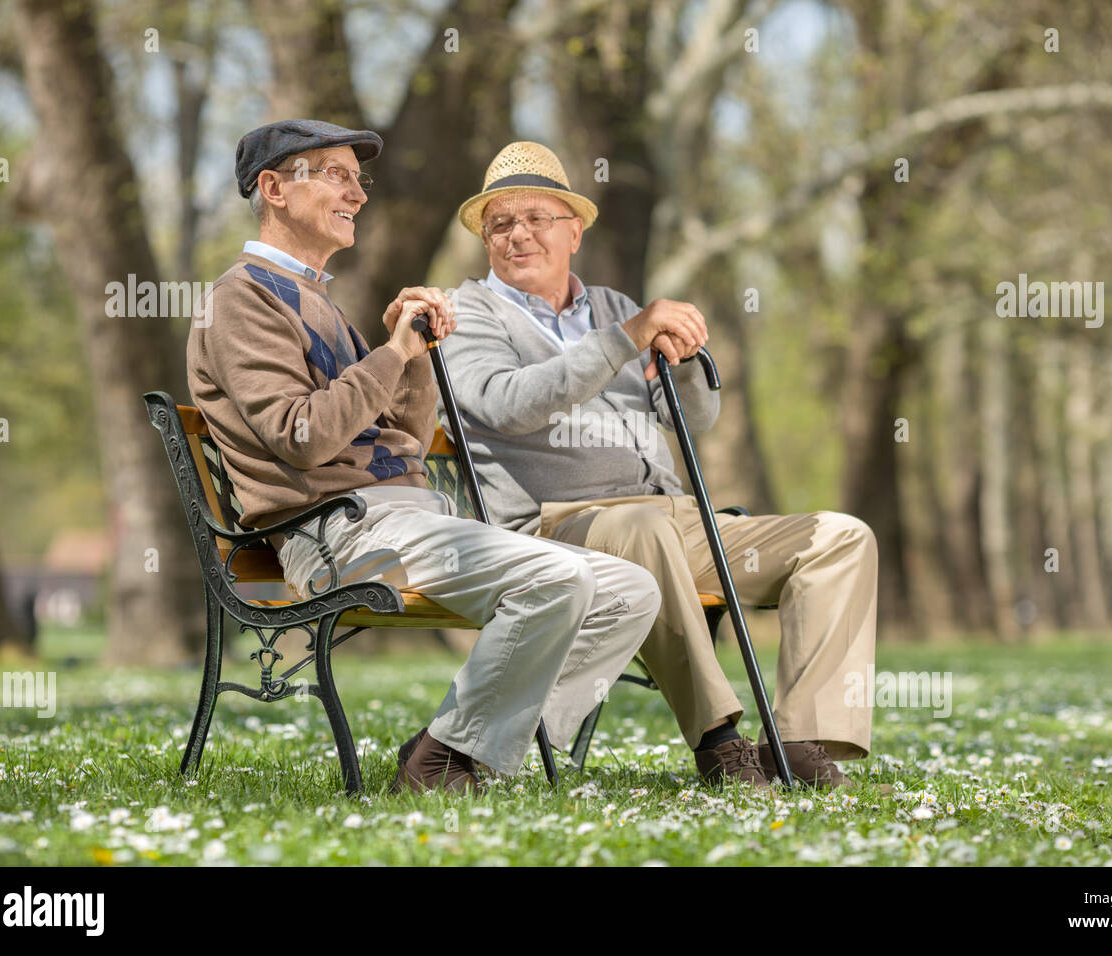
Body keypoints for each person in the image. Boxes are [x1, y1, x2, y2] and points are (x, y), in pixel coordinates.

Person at [186, 120, 660, 794]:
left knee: (631, 590)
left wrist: (413, 359)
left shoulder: (318, 301)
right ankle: (443, 764)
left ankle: (457, 747)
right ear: (274, 188)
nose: (357, 192)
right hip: (336, 535)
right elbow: (302, 437)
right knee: (557, 579)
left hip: (399, 521)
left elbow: (399, 437)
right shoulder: (241, 301)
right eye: (335, 174)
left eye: (359, 178)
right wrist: (392, 355)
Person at [439, 141, 881, 789]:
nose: (516, 235)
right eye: (499, 224)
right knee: (643, 532)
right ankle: (719, 741)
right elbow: (508, 406)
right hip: (557, 531)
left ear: (574, 231)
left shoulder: (615, 306)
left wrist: (687, 361)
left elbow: (692, 422)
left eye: (536, 218)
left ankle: (803, 746)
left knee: (842, 538)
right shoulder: (470, 312)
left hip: (675, 519)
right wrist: (625, 340)